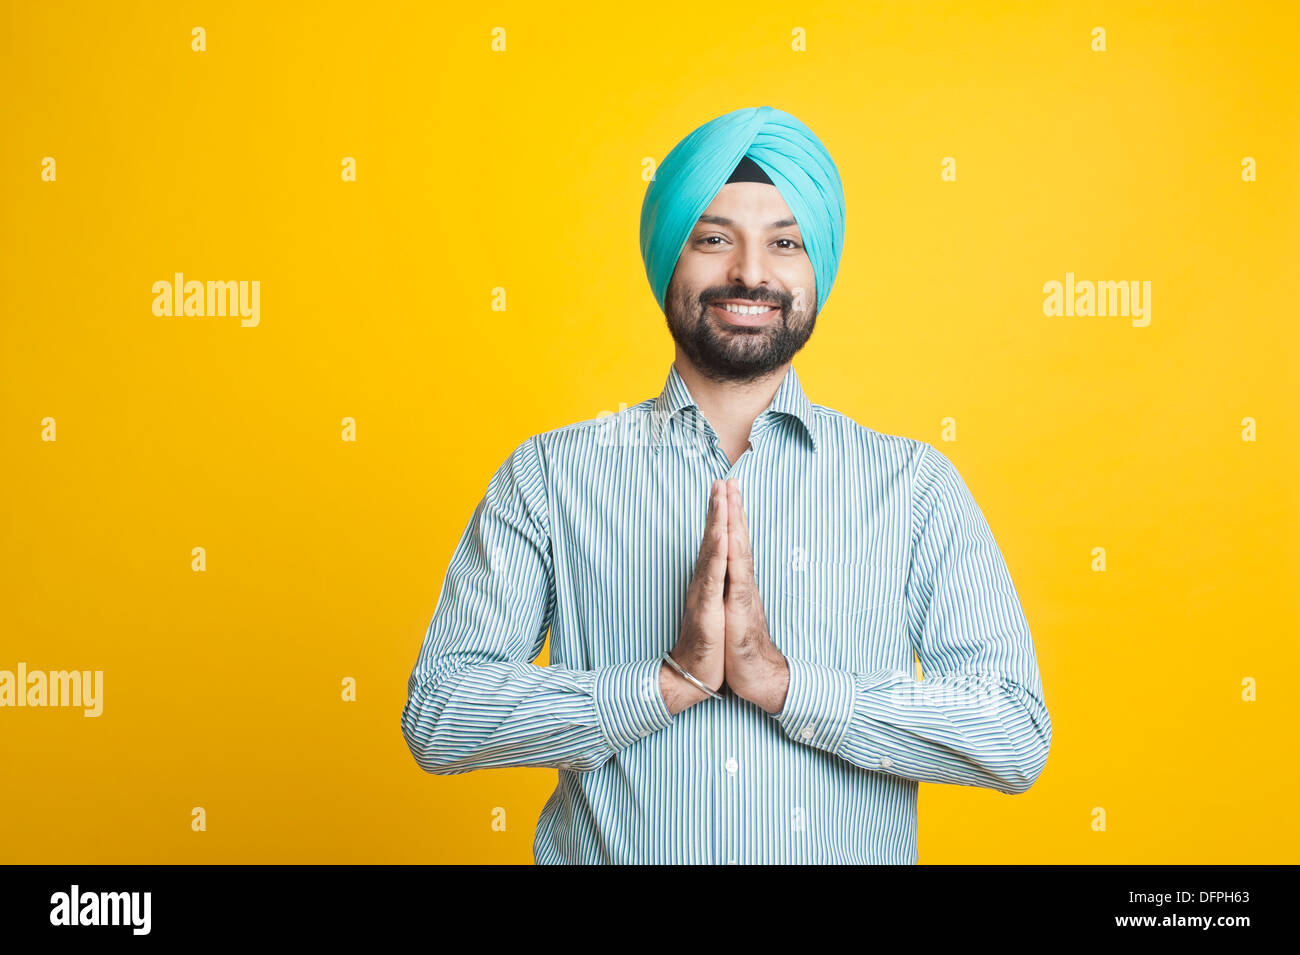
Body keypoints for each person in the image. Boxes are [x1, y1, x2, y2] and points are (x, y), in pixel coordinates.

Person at [401, 105, 1052, 864]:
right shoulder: (551, 476)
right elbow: (440, 715)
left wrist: (787, 686)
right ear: (667, 259)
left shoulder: (912, 486)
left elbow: (1012, 730)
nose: (750, 272)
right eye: (714, 239)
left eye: (785, 242)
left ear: (818, 268)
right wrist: (661, 683)